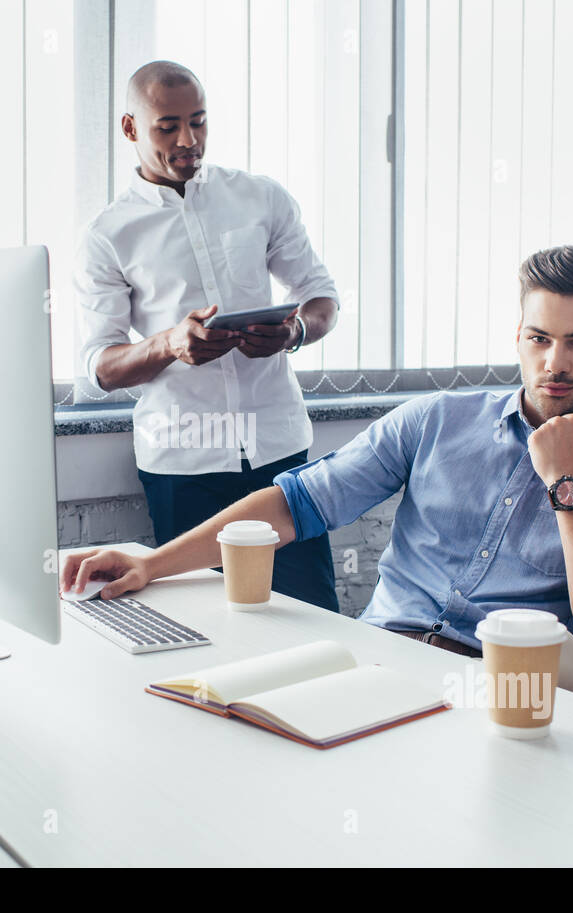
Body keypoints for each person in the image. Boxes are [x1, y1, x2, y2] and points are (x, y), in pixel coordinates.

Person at [63, 241, 573, 696]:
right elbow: (292, 504)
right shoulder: (436, 421)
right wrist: (151, 562)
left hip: (496, 694)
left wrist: (567, 486)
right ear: (518, 337)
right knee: (206, 709)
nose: (555, 363)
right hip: (375, 663)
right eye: (539, 338)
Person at [74, 60, 341, 612]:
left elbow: (322, 297)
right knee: (209, 631)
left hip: (279, 453)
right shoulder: (107, 235)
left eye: (198, 122)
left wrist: (293, 330)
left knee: (314, 616)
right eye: (167, 126)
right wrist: (169, 344)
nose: (188, 140)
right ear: (130, 129)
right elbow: (99, 367)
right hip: (182, 466)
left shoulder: (261, 198)